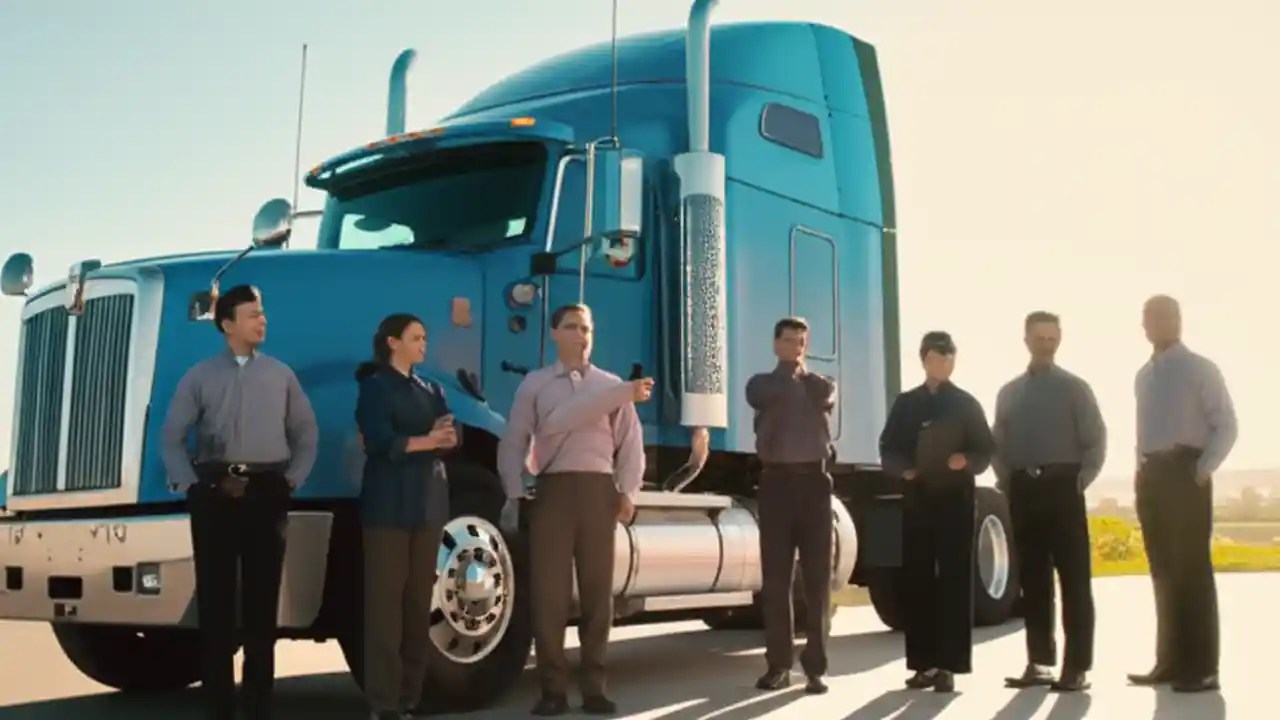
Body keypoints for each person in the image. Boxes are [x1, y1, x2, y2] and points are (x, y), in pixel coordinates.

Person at [160, 284, 319, 720]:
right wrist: (193, 487)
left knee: (261, 608)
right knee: (215, 607)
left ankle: (259, 707)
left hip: (268, 495)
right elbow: (172, 437)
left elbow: (306, 433)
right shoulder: (199, 376)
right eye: (252, 314)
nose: (261, 320)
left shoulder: (282, 375)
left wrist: (290, 481)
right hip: (214, 495)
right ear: (228, 324)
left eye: (262, 312)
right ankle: (219, 708)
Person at [497, 303, 651, 717]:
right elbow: (514, 438)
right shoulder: (536, 384)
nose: (581, 334)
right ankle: (552, 691)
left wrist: (627, 491)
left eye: (586, 328)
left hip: (598, 490)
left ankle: (595, 688)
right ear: (554, 334)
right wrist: (514, 491)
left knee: (599, 595)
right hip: (553, 491)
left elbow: (630, 442)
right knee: (549, 596)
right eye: (572, 327)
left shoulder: (611, 385)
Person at [1128, 295, 1237, 693]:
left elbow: (1226, 424)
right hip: (1152, 476)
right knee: (1163, 572)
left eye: (1164, 317)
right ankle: (1169, 663)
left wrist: (1203, 468)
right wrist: (1140, 470)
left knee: (1192, 572)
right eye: (1150, 318)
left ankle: (1203, 668)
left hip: (1185, 473)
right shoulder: (1143, 376)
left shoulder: (1199, 369)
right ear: (1144, 326)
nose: (1156, 324)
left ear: (1178, 321)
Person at [992, 311, 1106, 692]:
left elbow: (1096, 440)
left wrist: (1081, 480)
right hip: (1024, 490)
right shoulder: (1009, 392)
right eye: (1040, 338)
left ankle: (1077, 668)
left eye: (1052, 338)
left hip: (1063, 488)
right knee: (1034, 581)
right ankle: (1040, 663)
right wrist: (1008, 480)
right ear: (1026, 339)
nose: (1047, 344)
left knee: (1074, 580)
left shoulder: (1075, 389)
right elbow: (999, 442)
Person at [354, 313, 460, 720]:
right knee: (384, 607)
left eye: (425, 338)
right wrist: (427, 440)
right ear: (393, 342)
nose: (423, 345)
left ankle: (410, 696)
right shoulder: (375, 388)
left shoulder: (430, 388)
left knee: (419, 605)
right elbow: (380, 441)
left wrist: (443, 437)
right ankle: (383, 701)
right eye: (416, 338)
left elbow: (450, 430)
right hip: (387, 507)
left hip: (428, 506)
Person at [878, 331, 994, 694]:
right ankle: (923, 665)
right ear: (924, 359)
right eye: (937, 358)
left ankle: (950, 665)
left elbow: (985, 450)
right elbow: (889, 448)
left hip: (955, 500)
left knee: (955, 582)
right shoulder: (906, 404)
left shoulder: (966, 404)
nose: (943, 364)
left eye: (949, 358)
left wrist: (966, 460)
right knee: (918, 581)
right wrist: (903, 469)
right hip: (917, 498)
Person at [745, 317, 837, 695]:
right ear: (775, 344)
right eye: (789, 340)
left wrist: (802, 376)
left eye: (802, 341)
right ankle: (778, 665)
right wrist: (791, 374)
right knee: (777, 579)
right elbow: (764, 396)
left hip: (814, 483)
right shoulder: (762, 384)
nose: (797, 346)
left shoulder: (820, 384)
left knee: (817, 580)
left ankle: (815, 668)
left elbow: (826, 396)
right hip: (777, 483)